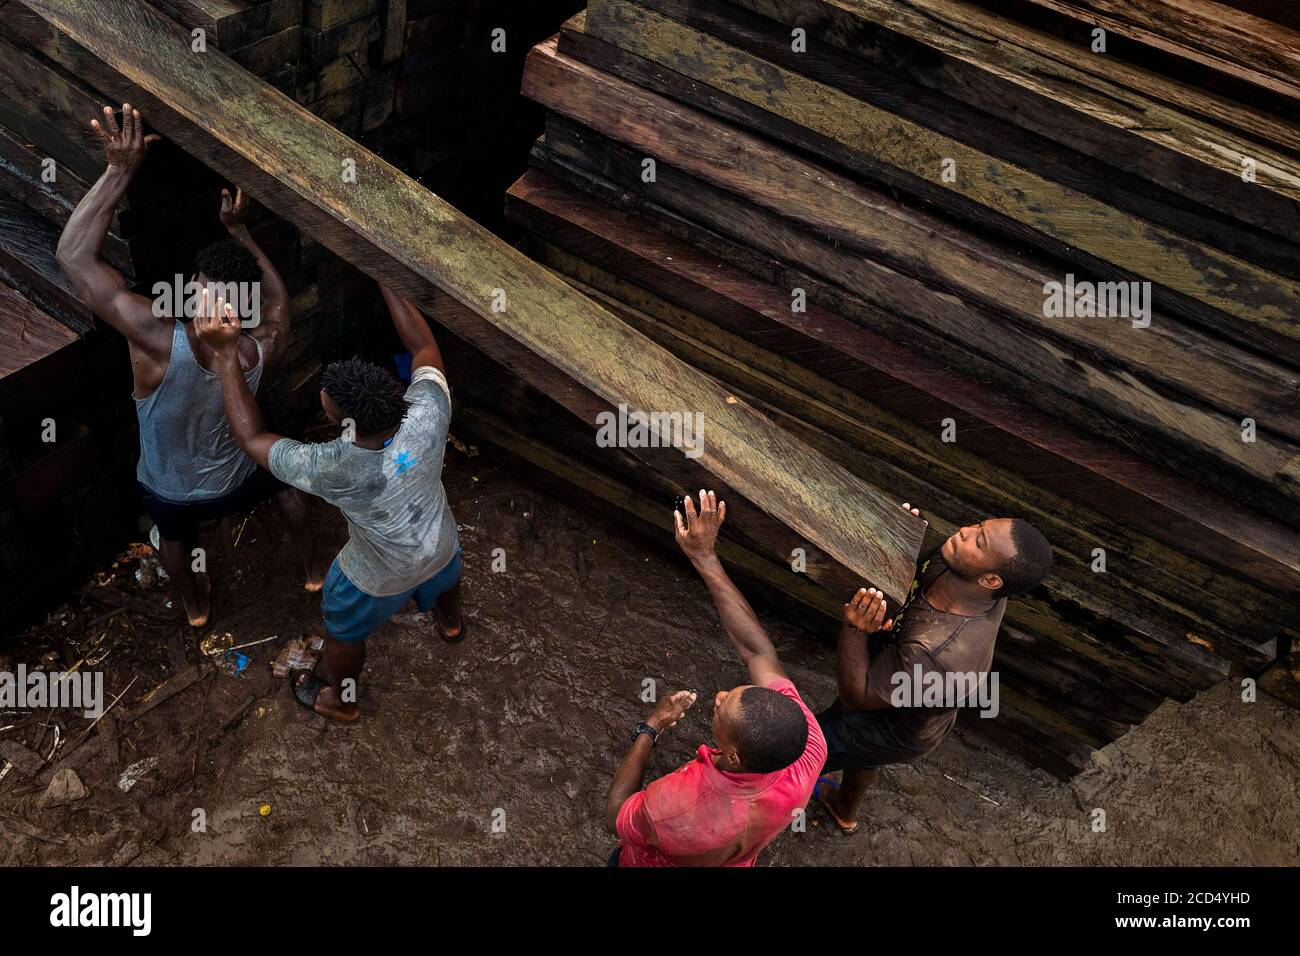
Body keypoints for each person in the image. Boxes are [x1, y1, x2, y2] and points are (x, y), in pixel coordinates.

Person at [56, 103, 321, 627]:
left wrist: (119, 171)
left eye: (197, 289)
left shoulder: (156, 340)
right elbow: (279, 304)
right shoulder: (264, 346)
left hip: (171, 491)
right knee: (287, 486)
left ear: (193, 290)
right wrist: (241, 232)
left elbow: (73, 259)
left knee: (173, 539)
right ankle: (314, 569)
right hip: (240, 476)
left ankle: (197, 608)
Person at [194, 283, 463, 722]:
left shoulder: (330, 466)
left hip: (376, 578)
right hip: (441, 545)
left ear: (336, 418)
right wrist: (381, 274)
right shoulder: (429, 412)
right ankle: (451, 626)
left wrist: (225, 356)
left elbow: (252, 438)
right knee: (445, 579)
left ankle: (343, 701)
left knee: (342, 633)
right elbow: (423, 345)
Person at [605, 491, 826, 866]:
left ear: (734, 756)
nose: (721, 695)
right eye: (736, 693)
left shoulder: (678, 808)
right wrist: (704, 557)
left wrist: (651, 725)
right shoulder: (809, 748)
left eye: (725, 705)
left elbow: (617, 814)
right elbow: (757, 651)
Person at [815, 506, 1052, 834]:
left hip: (895, 728)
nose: (965, 530)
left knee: (800, 745)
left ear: (991, 580)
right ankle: (843, 810)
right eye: (978, 523)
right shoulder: (965, 569)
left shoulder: (941, 652)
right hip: (903, 687)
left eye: (979, 540)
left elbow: (857, 696)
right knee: (860, 753)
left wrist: (855, 629)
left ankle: (752, 806)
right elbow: (917, 567)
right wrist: (901, 534)